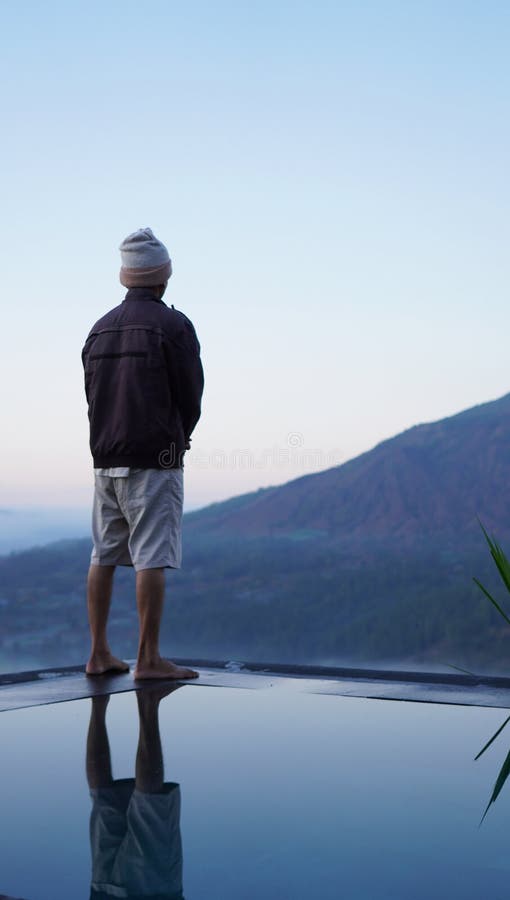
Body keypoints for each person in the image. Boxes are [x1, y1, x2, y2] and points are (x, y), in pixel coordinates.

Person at [82, 227, 204, 680]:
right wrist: (180, 438)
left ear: (126, 277)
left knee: (103, 554)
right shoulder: (173, 326)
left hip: (104, 456)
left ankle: (98, 654)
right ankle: (149, 660)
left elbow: (92, 394)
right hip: (155, 458)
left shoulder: (99, 328)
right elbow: (191, 394)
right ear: (163, 277)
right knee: (151, 556)